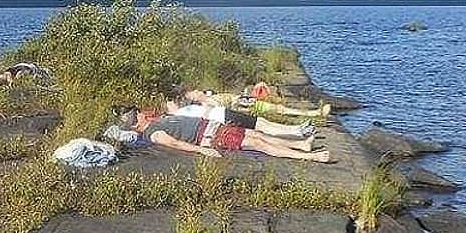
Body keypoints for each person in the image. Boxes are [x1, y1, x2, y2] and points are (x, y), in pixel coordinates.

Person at [124, 110, 330, 163]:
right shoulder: (154, 133)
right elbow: (175, 143)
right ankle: (310, 157)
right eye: (138, 114)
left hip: (217, 126)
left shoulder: (156, 121)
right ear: (136, 123)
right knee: (259, 143)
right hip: (213, 136)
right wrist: (203, 150)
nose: (141, 112)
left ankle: (302, 145)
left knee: (257, 133)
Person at [162, 99, 315, 140]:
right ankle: (297, 132)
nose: (172, 102)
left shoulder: (184, 109)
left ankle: (296, 129)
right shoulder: (180, 115)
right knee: (260, 125)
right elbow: (202, 118)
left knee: (260, 122)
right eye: (169, 103)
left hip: (223, 112)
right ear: (168, 109)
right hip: (222, 117)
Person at [181, 87, 331, 119]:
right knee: (280, 110)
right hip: (246, 106)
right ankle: (315, 113)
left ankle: (315, 113)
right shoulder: (208, 104)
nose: (197, 90)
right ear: (194, 98)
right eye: (194, 92)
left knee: (279, 108)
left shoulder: (209, 96)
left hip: (246, 102)